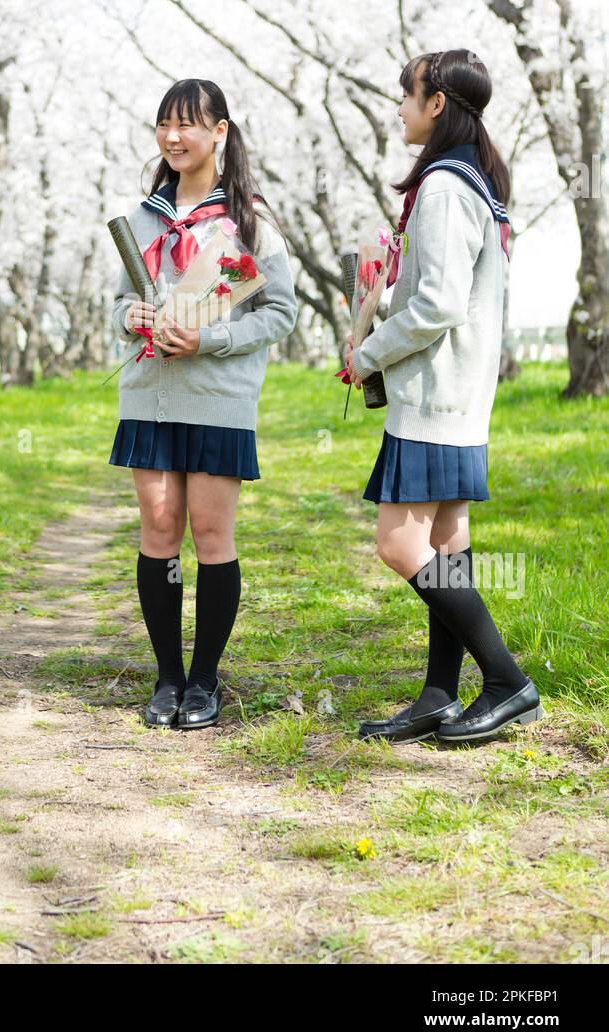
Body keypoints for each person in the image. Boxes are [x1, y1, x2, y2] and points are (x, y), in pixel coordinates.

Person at [345, 49, 542, 744]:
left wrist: (366, 352)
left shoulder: (442, 187)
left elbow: (436, 305)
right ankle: (439, 693)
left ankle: (507, 680)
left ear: (436, 104)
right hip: (463, 394)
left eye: (407, 94)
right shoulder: (473, 181)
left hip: (434, 396)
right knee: (445, 546)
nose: (399, 106)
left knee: (400, 546)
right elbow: (445, 292)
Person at [109, 78, 298, 729]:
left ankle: (206, 681)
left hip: (217, 401)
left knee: (212, 535)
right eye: (164, 123)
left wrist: (210, 338)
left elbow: (281, 312)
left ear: (219, 131)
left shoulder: (250, 222)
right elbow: (114, 305)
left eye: (187, 123)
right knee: (159, 532)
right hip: (149, 399)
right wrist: (130, 316)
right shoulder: (140, 219)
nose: (173, 137)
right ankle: (167, 678)